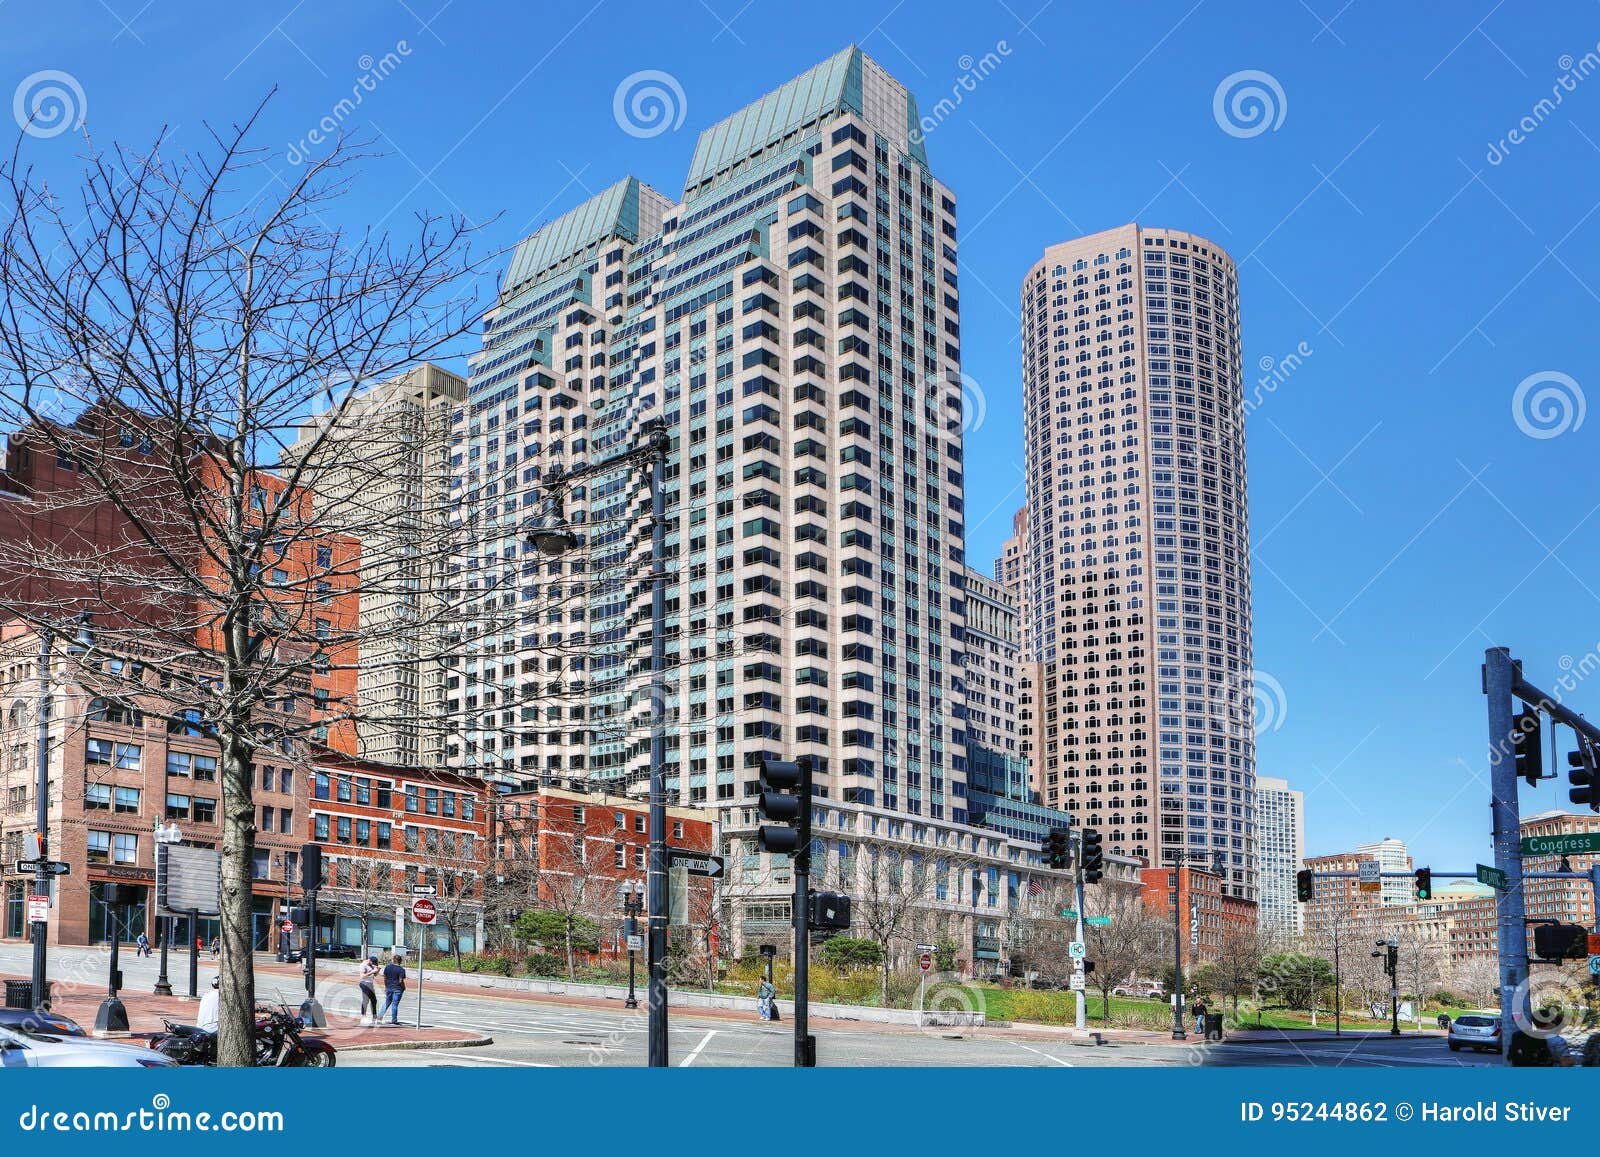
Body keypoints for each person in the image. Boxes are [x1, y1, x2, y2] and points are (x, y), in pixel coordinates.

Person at [381, 955, 407, 1025]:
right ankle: (394, 1020)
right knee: (395, 1004)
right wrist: (403, 987)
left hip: (389, 987)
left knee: (387, 1002)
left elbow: (385, 978)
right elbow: (400, 980)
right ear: (400, 961)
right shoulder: (401, 970)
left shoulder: (387, 967)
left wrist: (386, 986)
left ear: (393, 960)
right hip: (397, 988)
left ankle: (379, 1016)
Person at [358, 955, 381, 1025]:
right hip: (364, 983)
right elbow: (362, 976)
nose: (373, 964)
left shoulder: (372, 965)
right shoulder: (363, 965)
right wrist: (372, 971)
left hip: (370, 983)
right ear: (369, 960)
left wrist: (378, 970)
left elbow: (375, 975)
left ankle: (374, 1017)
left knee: (374, 1000)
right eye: (373, 963)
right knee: (366, 1000)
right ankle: (363, 1017)